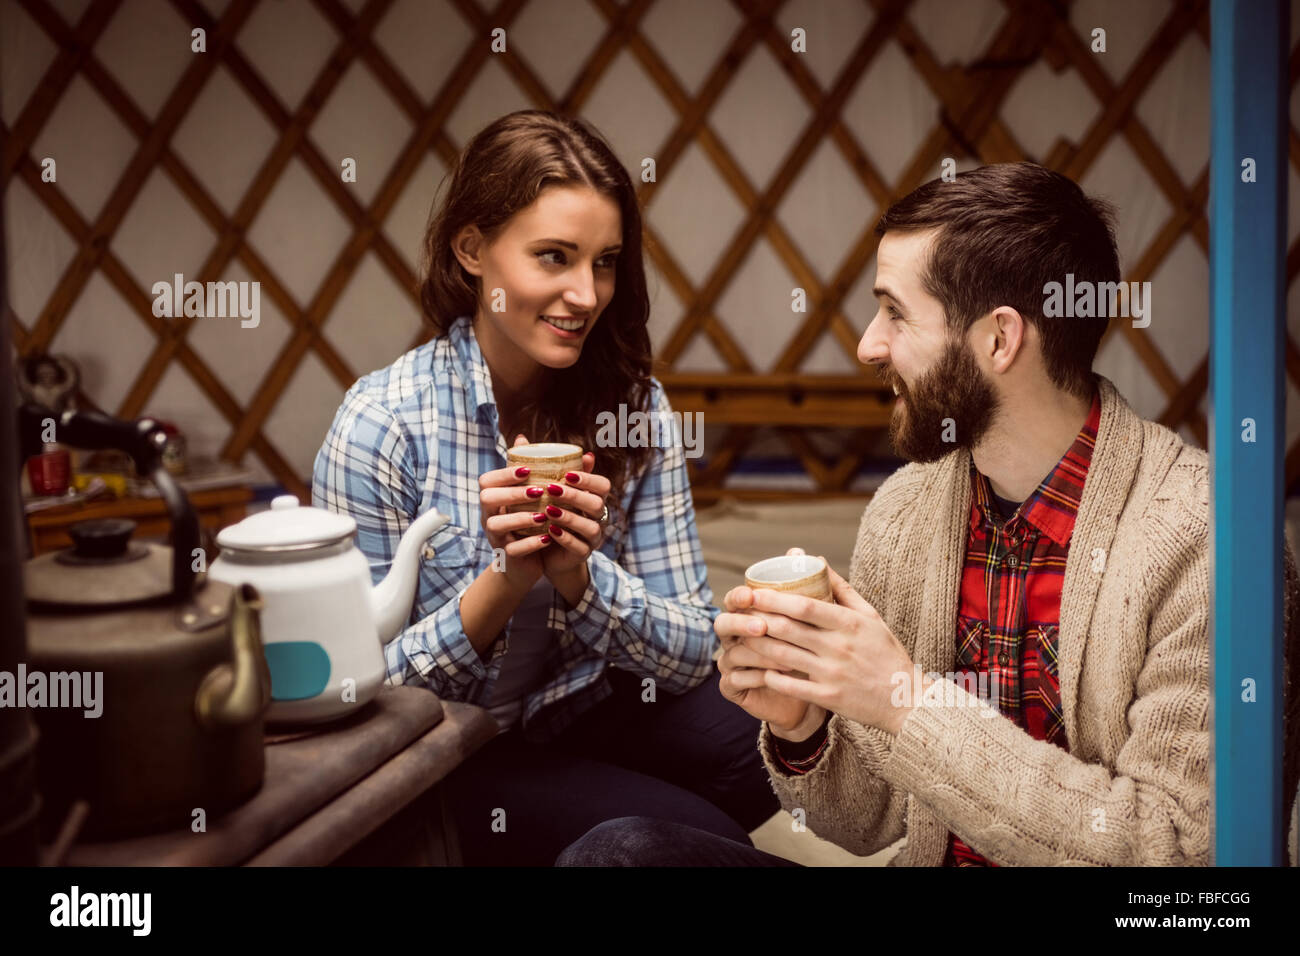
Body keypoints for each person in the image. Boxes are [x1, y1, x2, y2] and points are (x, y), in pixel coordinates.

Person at [557, 161, 1300, 867]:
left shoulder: (1205, 537)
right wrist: (803, 725)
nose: (866, 345)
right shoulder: (908, 511)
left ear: (999, 339)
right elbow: (863, 822)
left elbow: (1180, 856)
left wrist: (905, 702)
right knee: (620, 854)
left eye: (894, 313)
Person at [311, 109, 778, 866]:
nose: (587, 295)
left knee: (784, 735)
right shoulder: (382, 424)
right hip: (447, 753)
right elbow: (347, 696)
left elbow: (697, 645)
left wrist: (580, 582)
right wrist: (503, 582)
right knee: (682, 846)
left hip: (582, 708)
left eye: (604, 262)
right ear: (472, 250)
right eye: (554, 257)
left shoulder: (633, 407)